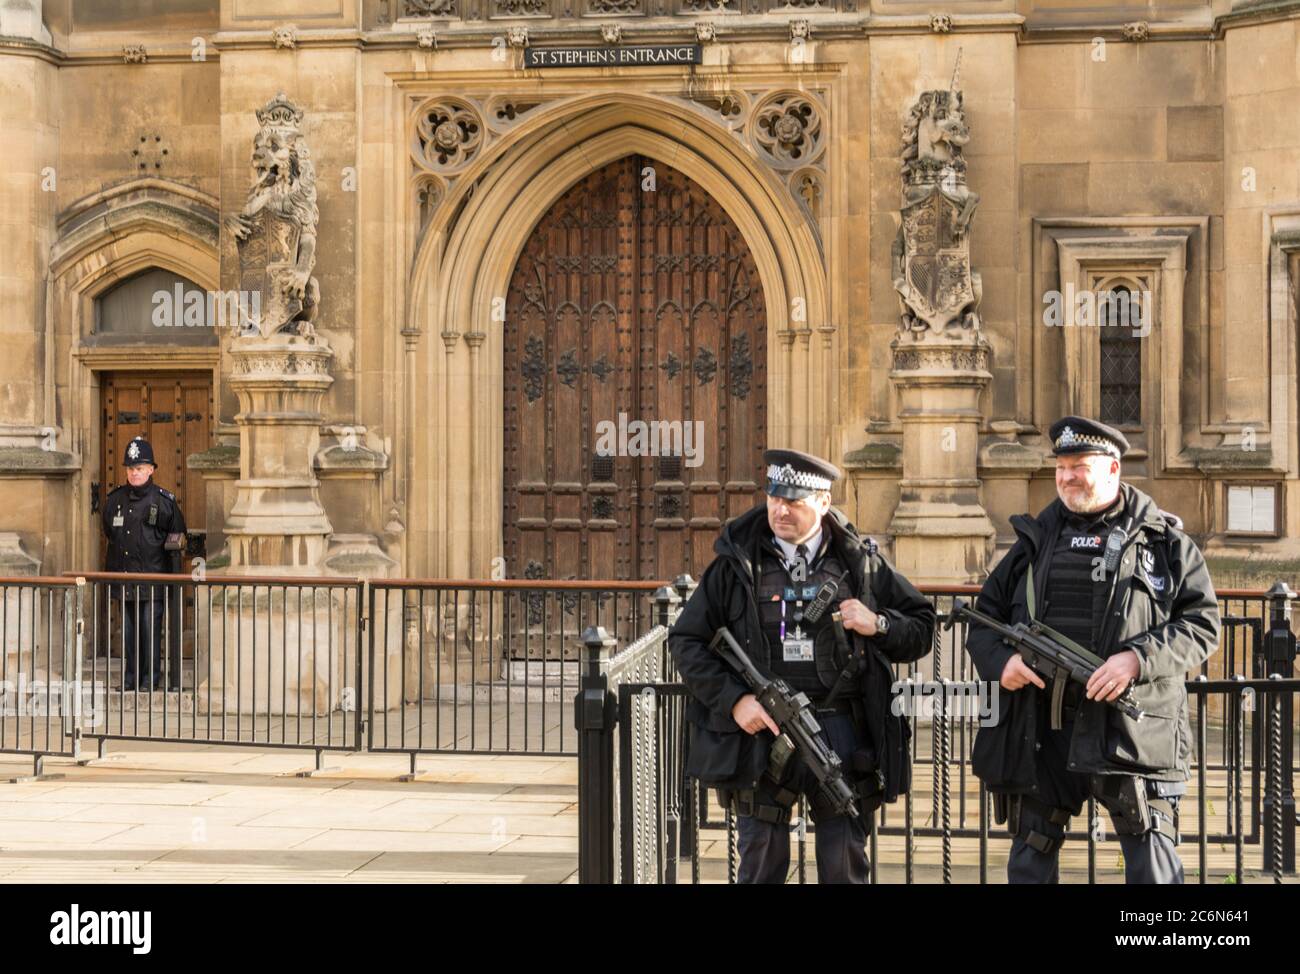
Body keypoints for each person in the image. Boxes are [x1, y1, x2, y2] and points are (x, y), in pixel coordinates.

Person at [964, 416, 1220, 883]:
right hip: (1045, 729)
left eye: (1078, 466)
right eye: (1060, 467)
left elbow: (1202, 625)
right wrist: (1004, 663)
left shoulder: (1164, 544)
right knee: (1030, 861)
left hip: (1130, 729)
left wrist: (1137, 660)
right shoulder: (1032, 543)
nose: (1065, 477)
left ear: (1113, 469)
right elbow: (984, 621)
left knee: (1152, 867)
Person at [669, 448, 935, 883]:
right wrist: (736, 701)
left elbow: (922, 627)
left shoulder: (859, 562)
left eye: (793, 500)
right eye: (774, 497)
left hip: (841, 731)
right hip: (763, 731)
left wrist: (879, 625)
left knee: (844, 861)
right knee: (760, 862)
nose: (780, 509)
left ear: (824, 502)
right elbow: (686, 640)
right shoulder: (737, 564)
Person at [101, 436, 187, 692]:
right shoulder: (115, 500)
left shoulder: (164, 502)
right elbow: (109, 531)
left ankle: (151, 680)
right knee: (129, 634)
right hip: (125, 577)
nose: (134, 473)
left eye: (139, 468)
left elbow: (177, 535)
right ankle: (130, 679)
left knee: (150, 632)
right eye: (130, 468)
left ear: (151, 469)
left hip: (153, 580)